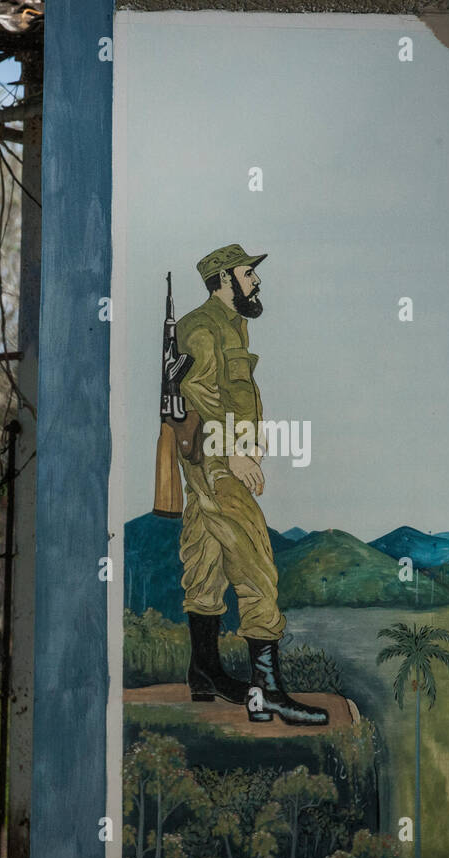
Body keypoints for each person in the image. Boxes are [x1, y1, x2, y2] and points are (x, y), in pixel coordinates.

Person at [174, 244, 328, 727]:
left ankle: (205, 672)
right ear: (223, 279)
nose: (256, 281)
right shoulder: (203, 326)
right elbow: (197, 389)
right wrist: (234, 448)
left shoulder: (231, 323)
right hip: (216, 456)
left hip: (215, 453)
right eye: (248, 274)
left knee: (206, 554)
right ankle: (269, 688)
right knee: (254, 553)